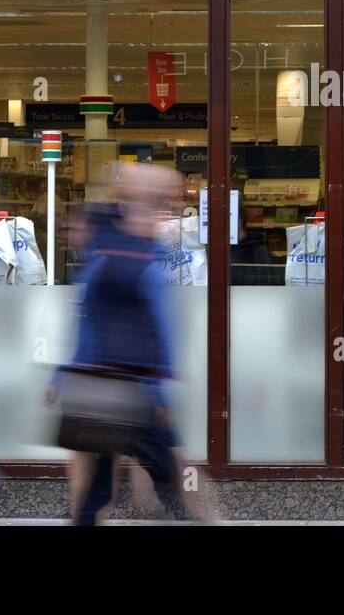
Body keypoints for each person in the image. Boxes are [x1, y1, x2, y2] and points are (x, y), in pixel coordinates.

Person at [49, 164, 221, 524]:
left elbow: (158, 327)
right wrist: (61, 375)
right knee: (112, 474)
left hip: (128, 389)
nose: (69, 236)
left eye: (74, 228)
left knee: (167, 470)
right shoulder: (115, 259)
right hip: (109, 386)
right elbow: (90, 327)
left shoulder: (130, 261)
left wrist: (159, 390)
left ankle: (207, 519)